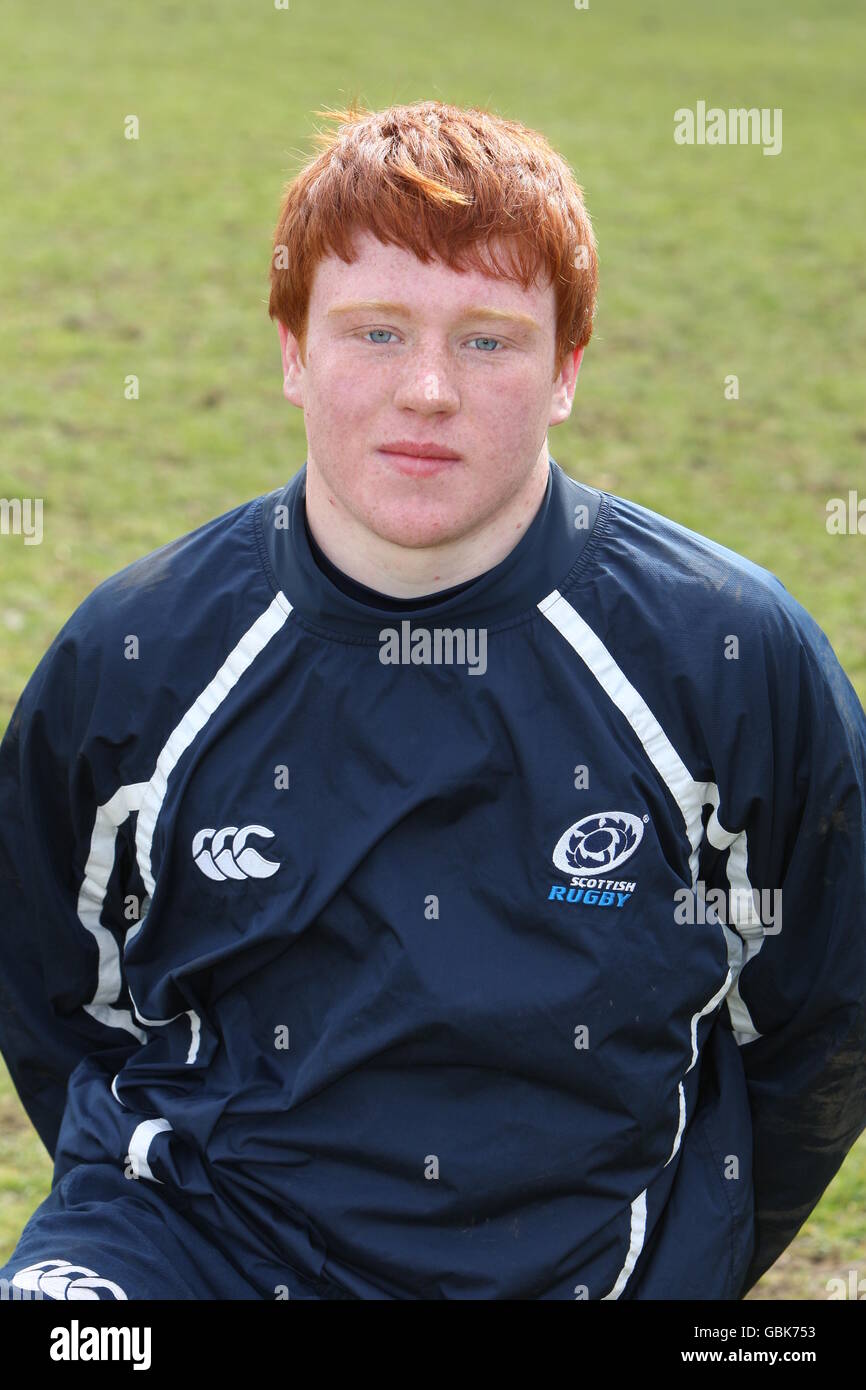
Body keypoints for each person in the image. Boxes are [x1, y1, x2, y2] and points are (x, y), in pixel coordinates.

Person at [0, 99, 864, 1302]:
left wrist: (689, 1258)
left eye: (488, 341)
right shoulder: (138, 650)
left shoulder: (723, 651)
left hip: (576, 1267)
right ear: (292, 350)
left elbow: (821, 1008)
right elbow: (55, 990)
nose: (426, 391)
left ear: (565, 370)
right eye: (373, 330)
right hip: (197, 1239)